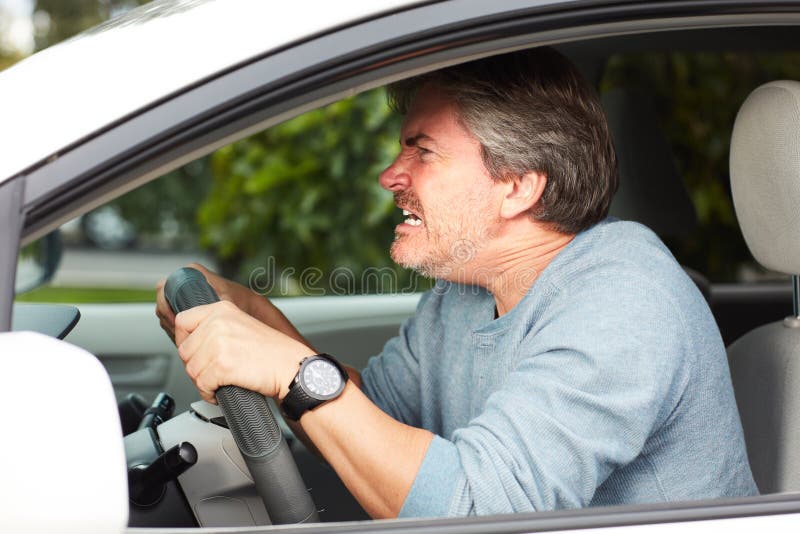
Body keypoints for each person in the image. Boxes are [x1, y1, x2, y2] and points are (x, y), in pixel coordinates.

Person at [156, 47, 757, 519]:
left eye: (422, 152)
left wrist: (288, 370)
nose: (391, 175)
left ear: (519, 183)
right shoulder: (466, 292)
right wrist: (257, 315)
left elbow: (478, 511)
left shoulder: (625, 299)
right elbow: (368, 416)